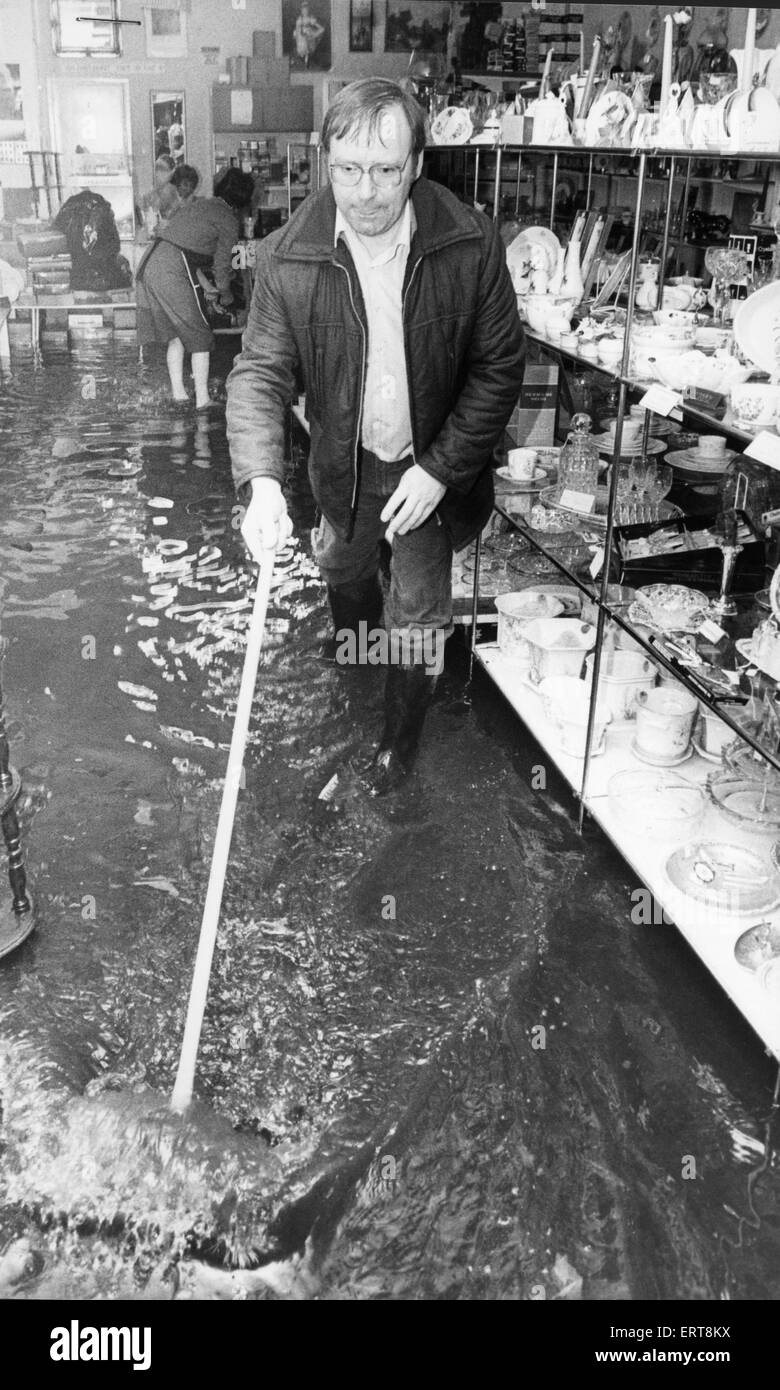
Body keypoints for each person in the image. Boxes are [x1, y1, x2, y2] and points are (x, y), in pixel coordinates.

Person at [226, 78, 525, 794]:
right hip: (346, 462)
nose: (366, 191)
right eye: (349, 169)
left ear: (417, 165)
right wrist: (263, 486)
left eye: (387, 169)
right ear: (324, 159)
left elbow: (499, 368)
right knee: (340, 560)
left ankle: (397, 748)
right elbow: (259, 373)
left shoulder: (471, 241)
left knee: (421, 612)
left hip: (429, 463)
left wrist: (442, 469)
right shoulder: (286, 256)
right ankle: (354, 658)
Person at [136, 167, 254, 411]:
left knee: (177, 335)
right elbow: (222, 267)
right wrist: (228, 296)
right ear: (243, 199)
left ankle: (179, 396)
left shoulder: (202, 206)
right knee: (200, 335)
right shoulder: (228, 219)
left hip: (150, 264)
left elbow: (189, 251)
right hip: (170, 269)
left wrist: (210, 287)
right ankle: (203, 401)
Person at [293, 2, 325, 67]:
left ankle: (307, 55)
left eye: (306, 10)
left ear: (308, 10)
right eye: (303, 10)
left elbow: (320, 28)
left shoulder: (311, 18)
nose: (305, 12)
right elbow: (297, 28)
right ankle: (302, 54)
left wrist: (314, 34)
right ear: (301, 11)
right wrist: (298, 33)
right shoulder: (299, 19)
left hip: (309, 35)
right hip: (301, 35)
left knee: (307, 40)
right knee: (300, 39)